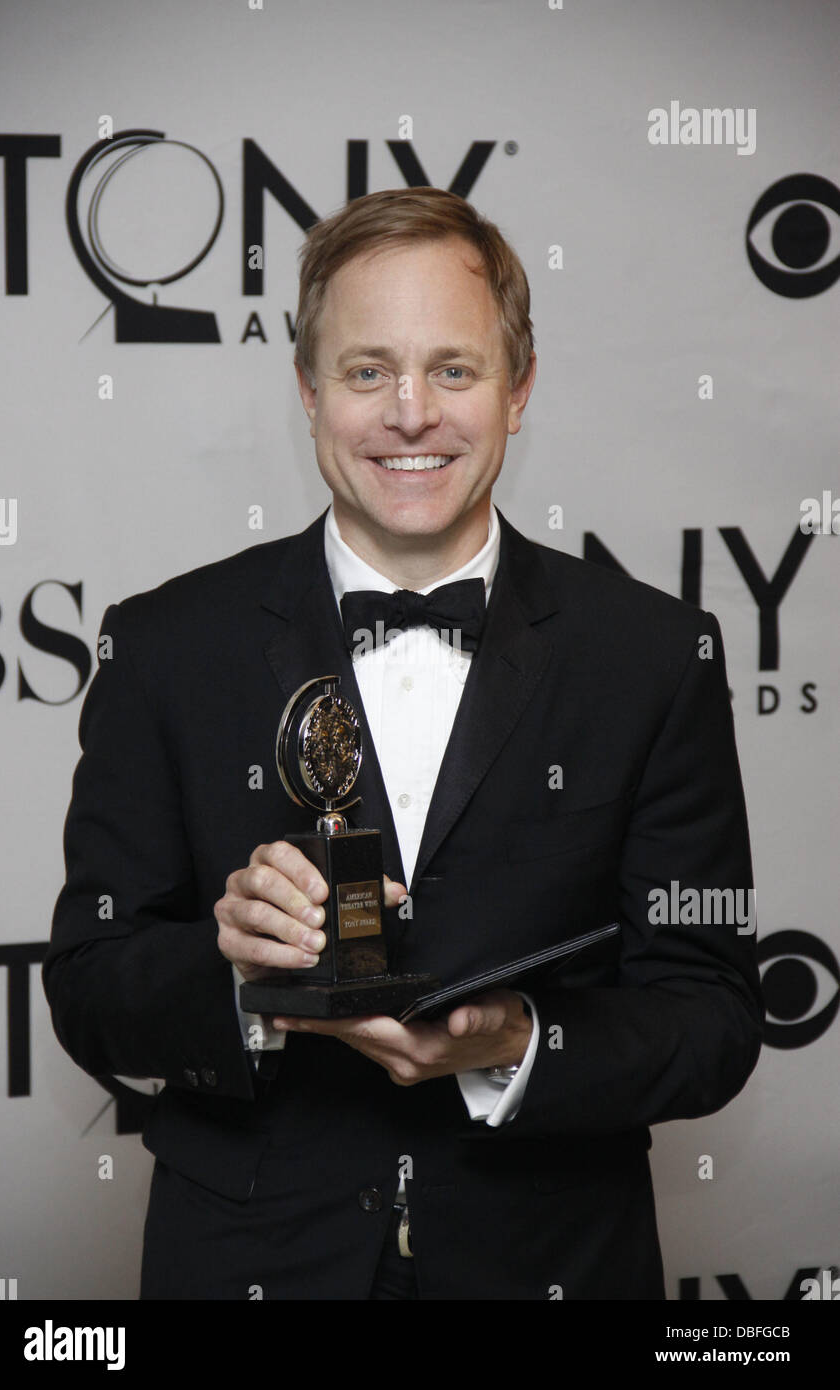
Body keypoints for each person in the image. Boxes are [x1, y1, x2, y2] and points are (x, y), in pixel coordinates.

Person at [44, 186, 763, 1300]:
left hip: (549, 1266)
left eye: (454, 369)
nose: (411, 412)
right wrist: (233, 973)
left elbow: (711, 1016)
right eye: (367, 370)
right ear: (308, 390)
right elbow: (90, 986)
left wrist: (516, 1041)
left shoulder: (655, 656)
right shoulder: (163, 647)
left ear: (517, 389)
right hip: (250, 1269)